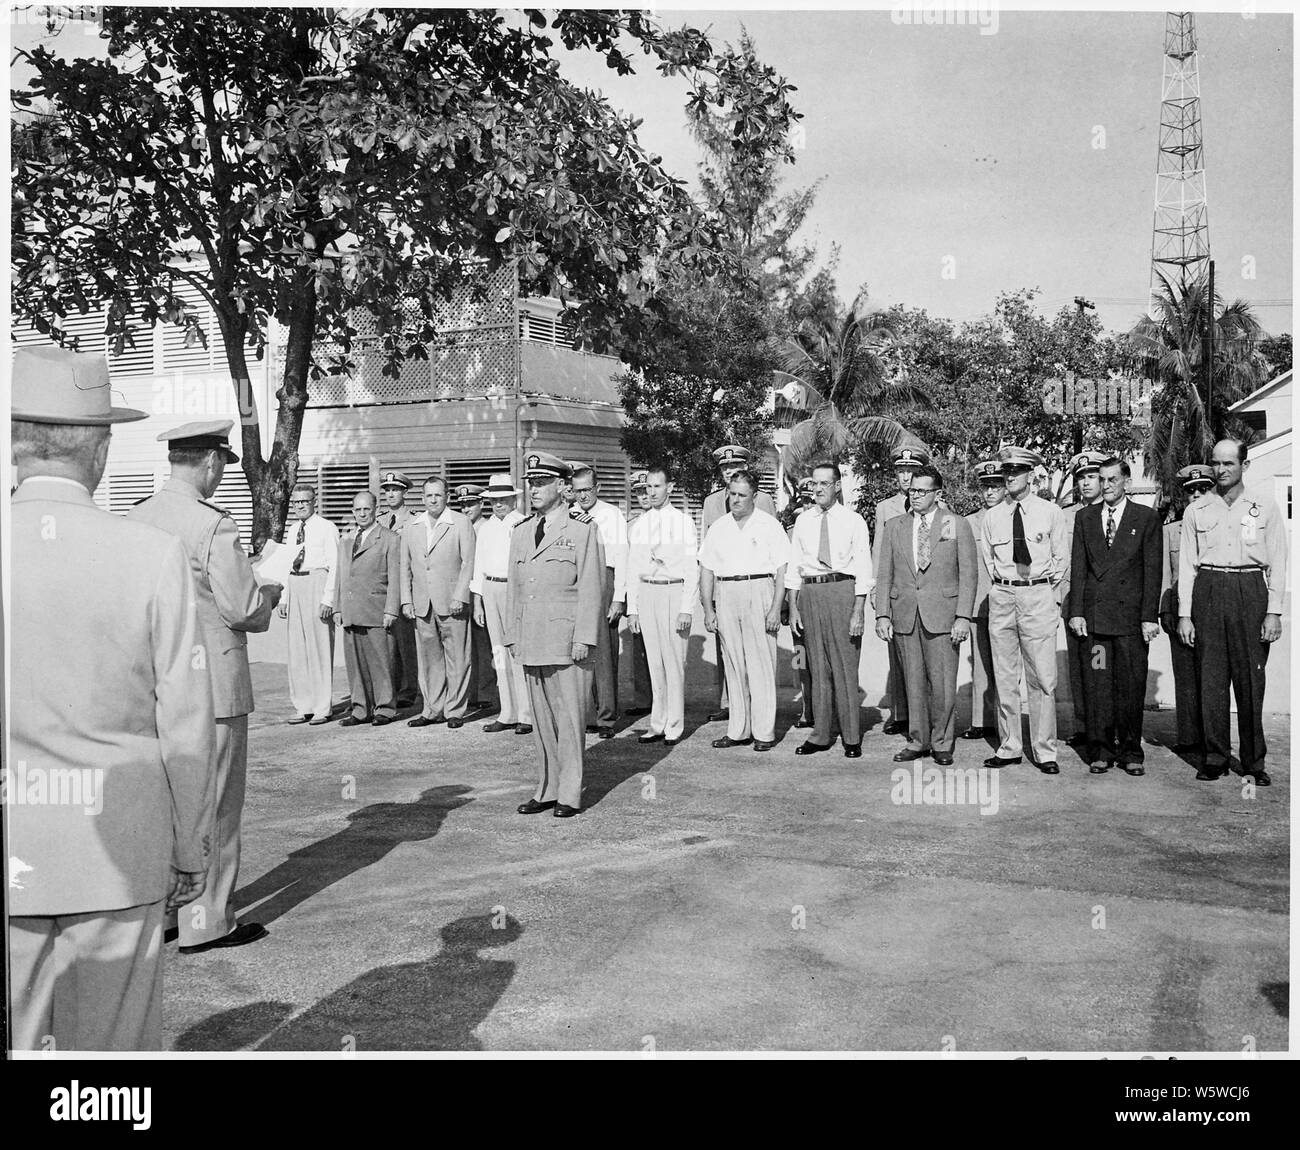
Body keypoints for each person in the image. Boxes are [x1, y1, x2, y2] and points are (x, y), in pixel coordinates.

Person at [9, 346, 216, 1050]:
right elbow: (187, 722)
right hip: (116, 851)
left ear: (15, 445)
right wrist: (191, 845)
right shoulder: (148, 553)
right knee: (111, 1057)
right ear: (98, 450)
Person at [128, 419, 280, 955]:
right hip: (214, 683)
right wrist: (271, 592)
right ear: (212, 462)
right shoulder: (214, 525)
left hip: (155, 682)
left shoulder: (137, 517)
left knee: (168, 802)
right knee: (215, 803)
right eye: (222, 467)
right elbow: (242, 608)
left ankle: (167, 913)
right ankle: (207, 922)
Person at [1177, 439, 1287, 786]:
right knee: (1211, 681)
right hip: (1208, 590)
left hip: (1249, 590)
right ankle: (1215, 757)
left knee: (1251, 681)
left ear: (1244, 466)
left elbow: (1279, 563)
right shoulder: (1197, 510)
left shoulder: (1264, 506)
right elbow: (1187, 566)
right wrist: (1185, 614)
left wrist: (1274, 611)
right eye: (1217, 464)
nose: (1222, 470)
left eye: (1229, 464)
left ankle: (1254, 762)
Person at [505, 452, 605, 817]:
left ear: (564, 488)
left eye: (543, 482)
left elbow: (593, 588)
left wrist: (584, 638)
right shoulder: (520, 532)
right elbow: (515, 588)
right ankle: (546, 788)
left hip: (567, 643)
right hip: (532, 639)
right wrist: (512, 634)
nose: (534, 488)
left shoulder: (582, 531)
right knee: (542, 722)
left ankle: (569, 793)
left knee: (569, 719)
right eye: (531, 482)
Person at [874, 465, 977, 766]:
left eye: (921, 491)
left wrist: (963, 617)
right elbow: (884, 574)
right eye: (912, 490)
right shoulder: (894, 526)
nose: (915, 495)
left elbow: (968, 574)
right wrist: (882, 614)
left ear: (938, 493)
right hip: (905, 613)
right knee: (913, 682)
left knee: (943, 681)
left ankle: (942, 742)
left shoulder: (954, 524)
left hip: (944, 615)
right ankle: (917, 740)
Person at [1066, 459, 1163, 776]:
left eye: (1112, 479)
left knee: (1131, 688)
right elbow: (1079, 569)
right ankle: (1101, 750)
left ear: (1126, 482)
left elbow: (1153, 573)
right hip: (1095, 624)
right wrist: (1077, 612)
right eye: (1101, 479)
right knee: (1098, 687)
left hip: (1130, 623)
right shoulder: (1085, 517)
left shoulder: (1146, 518)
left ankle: (1132, 752)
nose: (1106, 485)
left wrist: (1149, 617)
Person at [980, 445, 1070, 773]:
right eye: (1007, 472)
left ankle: (1045, 751)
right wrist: (1006, 587)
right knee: (1005, 676)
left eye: (1017, 471)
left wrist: (1046, 593)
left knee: (1042, 677)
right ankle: (1009, 746)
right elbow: (990, 561)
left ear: (1031, 475)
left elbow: (1061, 560)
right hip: (1003, 595)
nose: (1011, 477)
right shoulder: (992, 517)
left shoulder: (1050, 512)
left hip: (1037, 595)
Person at [786, 461, 873, 758]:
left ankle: (851, 735)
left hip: (841, 591)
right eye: (814, 483)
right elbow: (794, 566)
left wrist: (858, 610)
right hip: (810, 593)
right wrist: (794, 608)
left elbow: (863, 568)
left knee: (845, 667)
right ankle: (821, 733)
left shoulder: (853, 520)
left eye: (825, 483)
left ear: (837, 486)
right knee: (816, 667)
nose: (818, 489)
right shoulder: (803, 521)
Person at [699, 468, 789, 751]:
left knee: (761, 665)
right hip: (726, 593)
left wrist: (776, 608)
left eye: (742, 495)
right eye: (732, 494)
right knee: (734, 664)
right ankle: (738, 730)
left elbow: (782, 570)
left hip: (759, 589)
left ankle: (764, 732)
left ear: (755, 496)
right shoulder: (719, 527)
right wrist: (708, 609)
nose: (736, 500)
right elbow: (706, 571)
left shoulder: (769, 525)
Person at [626, 465, 698, 745]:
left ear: (670, 487)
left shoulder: (683, 522)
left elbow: (691, 569)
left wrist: (686, 608)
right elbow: (634, 568)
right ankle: (657, 723)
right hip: (648, 593)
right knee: (654, 663)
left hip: (672, 591)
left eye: (657, 486)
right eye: (648, 487)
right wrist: (633, 608)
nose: (652, 492)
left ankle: (675, 725)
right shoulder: (641, 523)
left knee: (673, 663)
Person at [400, 476, 477, 728]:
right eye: (429, 495)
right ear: (422, 498)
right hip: (422, 603)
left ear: (446, 497)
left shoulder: (460, 522)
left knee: (457, 657)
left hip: (451, 602)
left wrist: (460, 595)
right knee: (429, 659)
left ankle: (454, 710)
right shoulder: (413, 526)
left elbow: (468, 563)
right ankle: (432, 709)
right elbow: (405, 567)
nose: (433, 500)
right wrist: (406, 600)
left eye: (438, 495)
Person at [873, 444, 931, 736]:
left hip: (927, 593)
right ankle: (901, 713)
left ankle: (926, 714)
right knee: (897, 656)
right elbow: (879, 555)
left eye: (912, 471)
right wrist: (877, 594)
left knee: (928, 657)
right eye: (901, 471)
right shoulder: (885, 508)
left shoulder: (937, 507)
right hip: (898, 592)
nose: (906, 477)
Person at [569, 463, 629, 739]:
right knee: (580, 648)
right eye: (577, 491)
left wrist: (618, 598)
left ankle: (606, 717)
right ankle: (587, 715)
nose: (582, 496)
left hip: (605, 577)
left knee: (603, 651)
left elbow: (622, 556)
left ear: (597, 488)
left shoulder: (611, 514)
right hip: (576, 581)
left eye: (587, 490)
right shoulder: (569, 514)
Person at [470, 473, 533, 735]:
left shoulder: (523, 524)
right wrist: (477, 602)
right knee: (498, 651)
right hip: (490, 588)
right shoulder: (486, 528)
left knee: (516, 650)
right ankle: (507, 712)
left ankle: (526, 714)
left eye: (503, 499)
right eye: (494, 500)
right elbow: (478, 566)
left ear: (513, 499)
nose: (498, 504)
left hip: (513, 588)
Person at [332, 491, 401, 727]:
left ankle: (384, 708)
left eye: (366, 509)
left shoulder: (390, 538)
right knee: (355, 664)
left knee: (381, 662)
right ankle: (361, 709)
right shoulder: (347, 539)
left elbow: (395, 577)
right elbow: (341, 576)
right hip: (351, 610)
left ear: (375, 510)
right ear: (353, 511)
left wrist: (391, 609)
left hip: (376, 609)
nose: (362, 514)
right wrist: (337, 607)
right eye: (357, 510)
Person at [1159, 464, 1214, 755]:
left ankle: (1212, 737)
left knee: (1212, 675)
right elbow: (1165, 575)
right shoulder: (1171, 531)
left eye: (1203, 489)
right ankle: (1189, 736)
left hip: (1212, 611)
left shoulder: (1220, 525)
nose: (1196, 495)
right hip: (1181, 612)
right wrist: (1165, 610)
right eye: (1190, 491)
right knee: (1185, 676)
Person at [1059, 451, 1109, 747]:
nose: (1086, 483)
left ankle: (1106, 727)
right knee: (1079, 667)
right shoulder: (1066, 515)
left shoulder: (1113, 513)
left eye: (1091, 476)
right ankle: (1083, 725)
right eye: (1081, 478)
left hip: (1104, 604)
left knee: (1101, 665)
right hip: (1071, 601)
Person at [279, 484, 339, 724]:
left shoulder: (326, 527)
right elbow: (287, 563)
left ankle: (323, 707)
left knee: (319, 649)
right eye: (296, 502)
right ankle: (303, 706)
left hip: (317, 582)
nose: (300, 506)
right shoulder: (293, 530)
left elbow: (335, 565)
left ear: (314, 502)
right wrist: (284, 597)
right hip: (296, 585)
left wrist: (328, 598)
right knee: (298, 650)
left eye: (304, 501)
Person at [962, 459, 1005, 741]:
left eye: (996, 486)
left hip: (1008, 601)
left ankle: (1005, 722)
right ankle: (980, 721)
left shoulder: (1015, 517)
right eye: (986, 487)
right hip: (979, 602)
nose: (990, 492)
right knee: (980, 664)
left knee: (1005, 666)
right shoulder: (967, 523)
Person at [378, 471, 419, 708]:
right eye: (387, 490)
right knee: (386, 643)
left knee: (406, 643)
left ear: (405, 492)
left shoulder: (414, 519)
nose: (391, 494)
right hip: (384, 587)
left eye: (395, 490)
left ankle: (408, 690)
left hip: (405, 585)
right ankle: (388, 688)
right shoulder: (379, 519)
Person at [455, 483, 496, 712]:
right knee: (466, 646)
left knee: (484, 646)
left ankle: (486, 693)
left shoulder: (487, 528)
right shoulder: (460, 527)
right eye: (462, 505)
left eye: (471, 504)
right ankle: (469, 692)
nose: (466, 509)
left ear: (481, 504)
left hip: (481, 591)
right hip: (462, 593)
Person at [791, 476, 819, 729]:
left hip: (820, 599)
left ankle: (823, 708)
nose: (809, 505)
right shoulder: (791, 529)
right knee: (800, 658)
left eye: (813, 499)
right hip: (798, 603)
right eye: (805, 500)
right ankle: (806, 707)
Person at [625, 469, 653, 717]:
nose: (644, 496)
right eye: (639, 492)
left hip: (662, 587)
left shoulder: (668, 520)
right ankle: (644, 699)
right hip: (638, 588)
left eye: (647, 490)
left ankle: (664, 699)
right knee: (639, 646)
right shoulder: (631, 524)